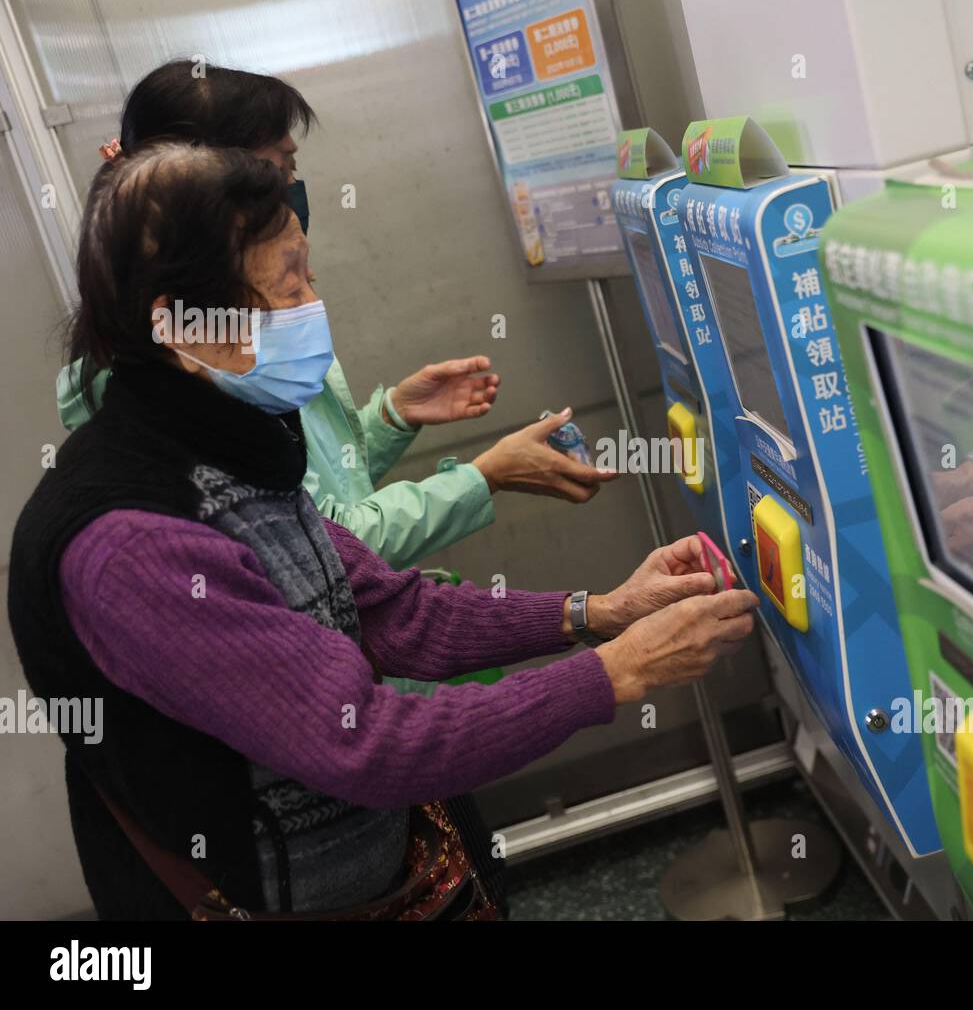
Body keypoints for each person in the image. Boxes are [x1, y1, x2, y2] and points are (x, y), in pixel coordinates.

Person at [8, 139, 758, 920]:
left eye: (309, 273)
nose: (312, 301)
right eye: (289, 281)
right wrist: (614, 674)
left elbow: (391, 610)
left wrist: (599, 613)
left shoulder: (222, 444)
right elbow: (362, 740)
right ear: (183, 324)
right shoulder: (135, 540)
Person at [59, 60, 616, 574]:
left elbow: (312, 485)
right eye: (281, 167)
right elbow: (320, 543)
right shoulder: (200, 368)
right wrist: (486, 476)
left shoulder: (230, 338)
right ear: (210, 181)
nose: (310, 298)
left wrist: (393, 417)